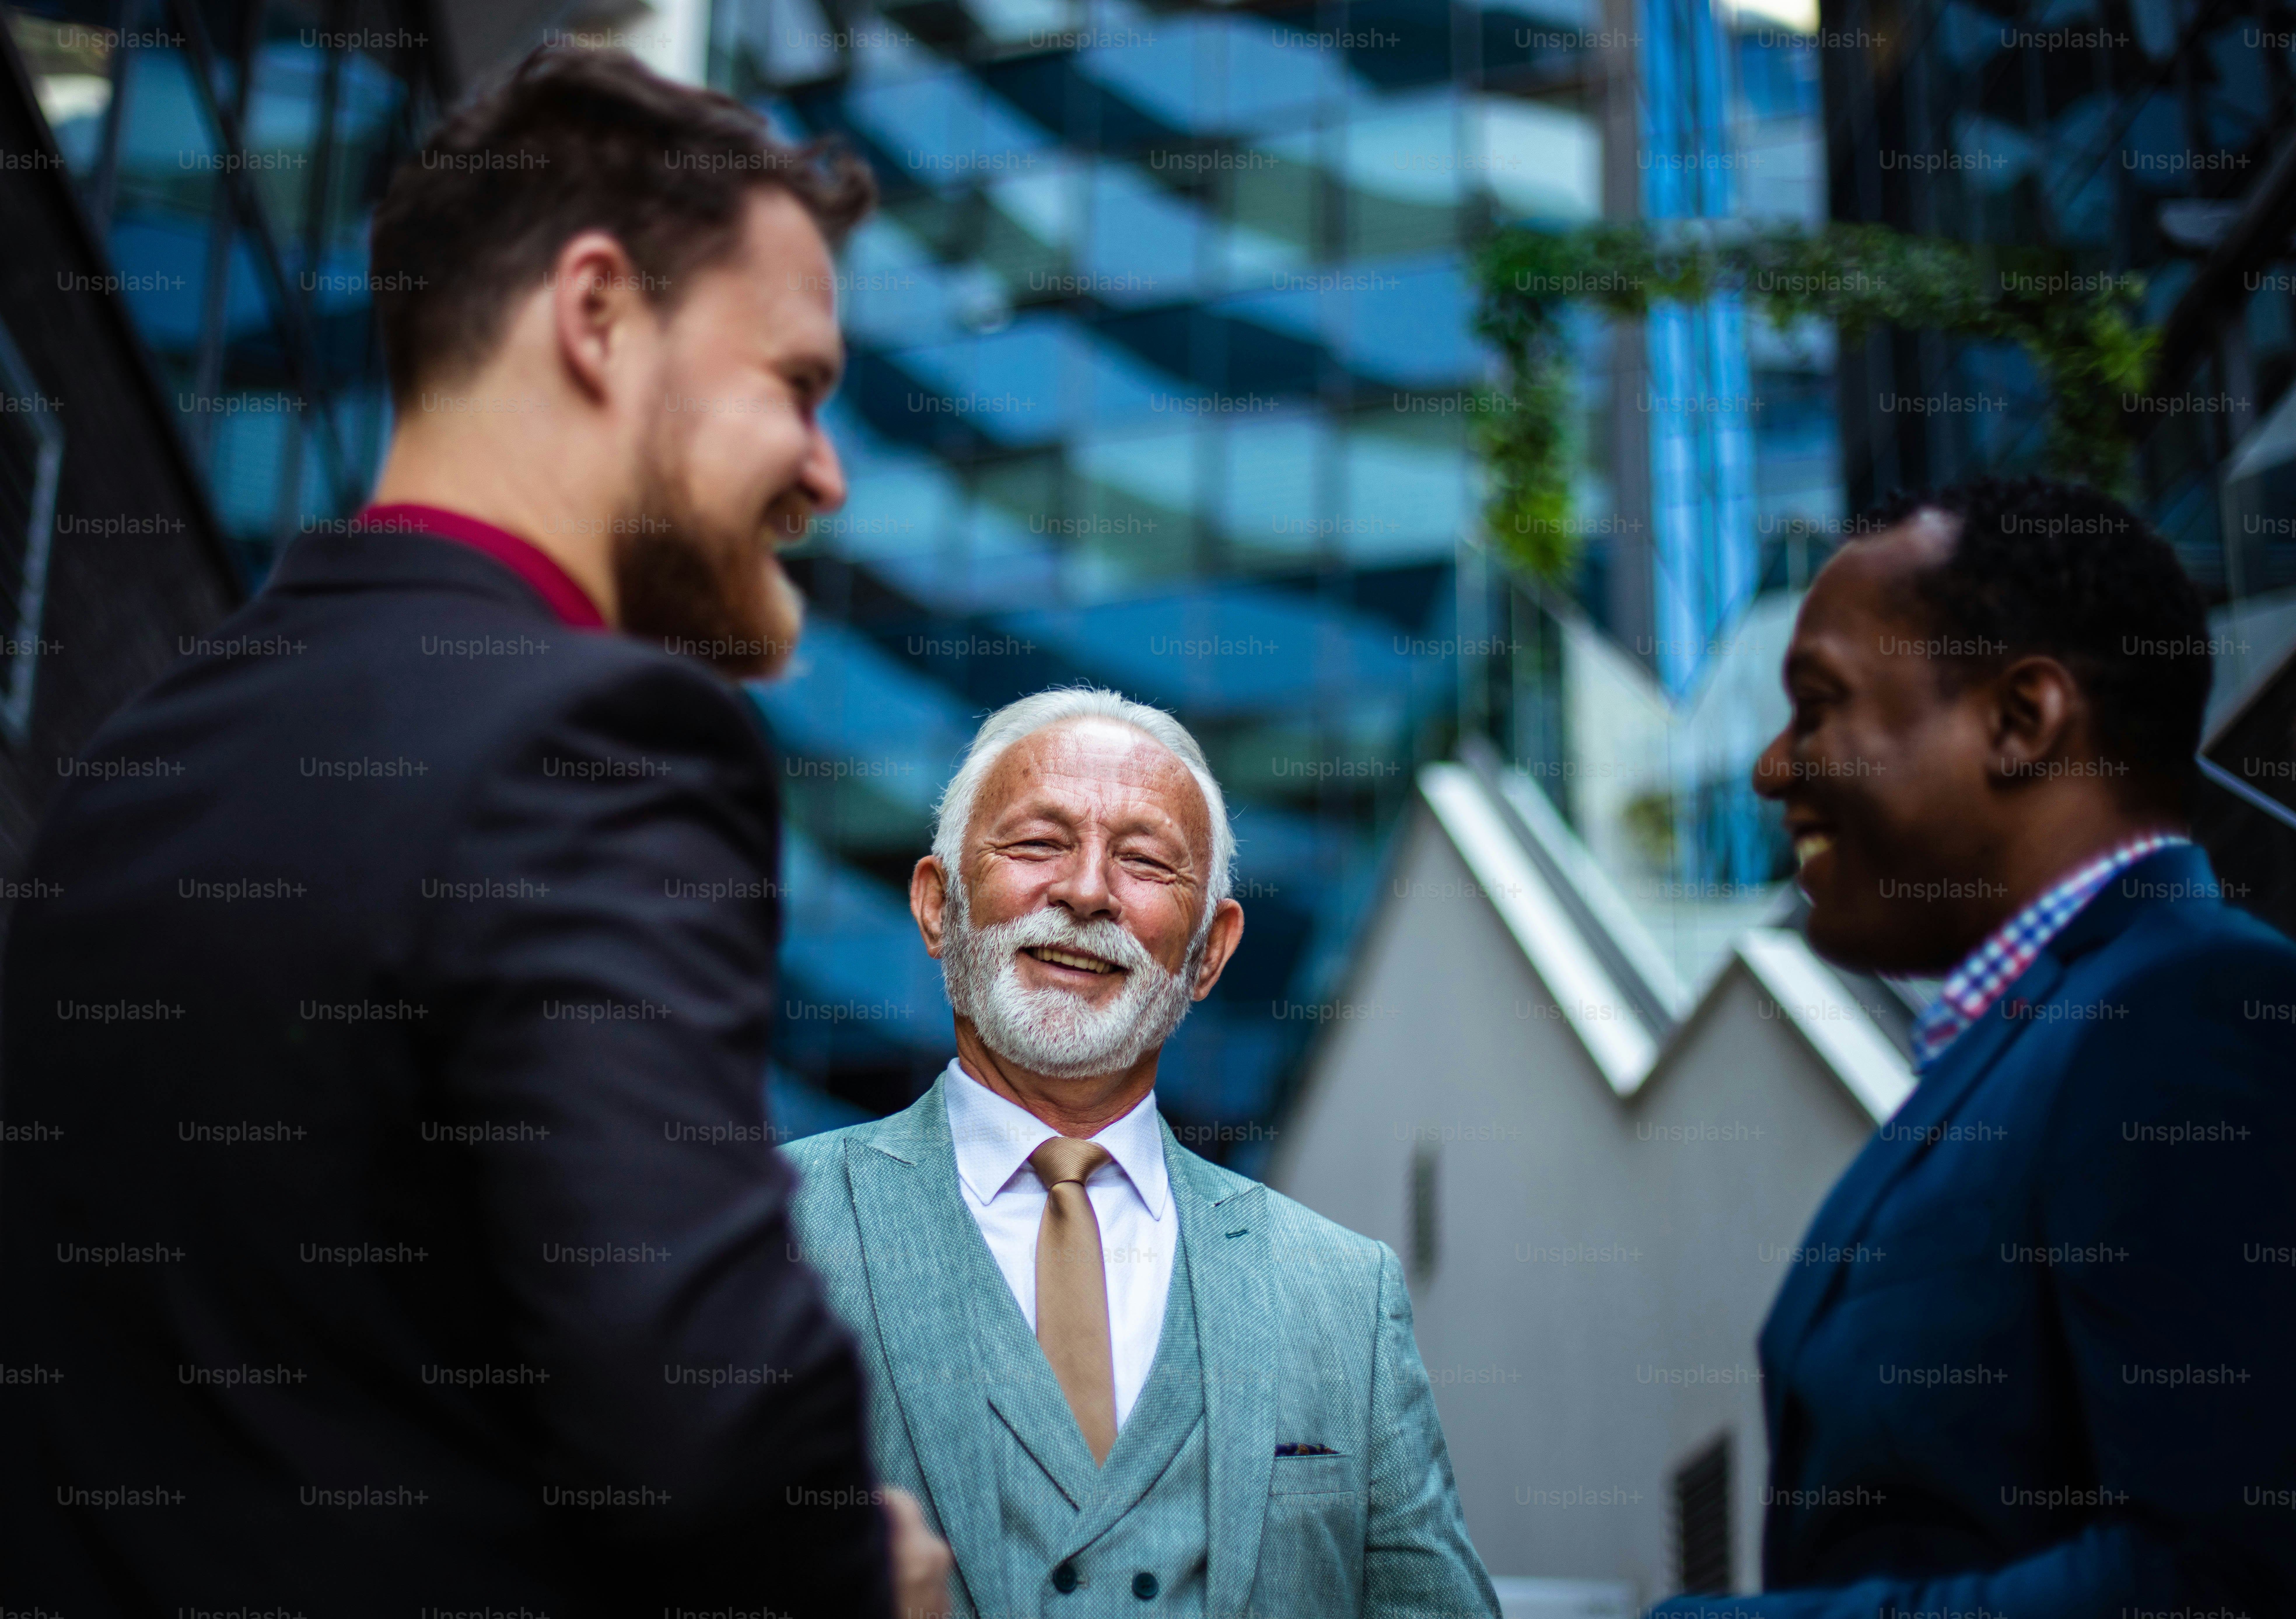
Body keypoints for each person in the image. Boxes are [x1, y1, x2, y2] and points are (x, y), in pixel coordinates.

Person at [0, 46, 947, 1619]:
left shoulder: (133, 767)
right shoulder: (598, 741)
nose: (825, 474)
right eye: (797, 385)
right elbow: (711, 1425)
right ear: (598, 314)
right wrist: (867, 1564)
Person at [1655, 477, 2296, 1615]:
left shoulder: (2192, 1014)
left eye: (1818, 705)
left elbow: (2221, 1576)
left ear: (2021, 720)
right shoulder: (2019, 1055)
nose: (1772, 768)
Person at [781, 686, 1501, 1619]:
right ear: (936, 907)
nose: (1086, 892)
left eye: (1146, 861)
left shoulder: (1344, 1294)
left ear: (1211, 953)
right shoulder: (760, 1235)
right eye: (1038, 844)